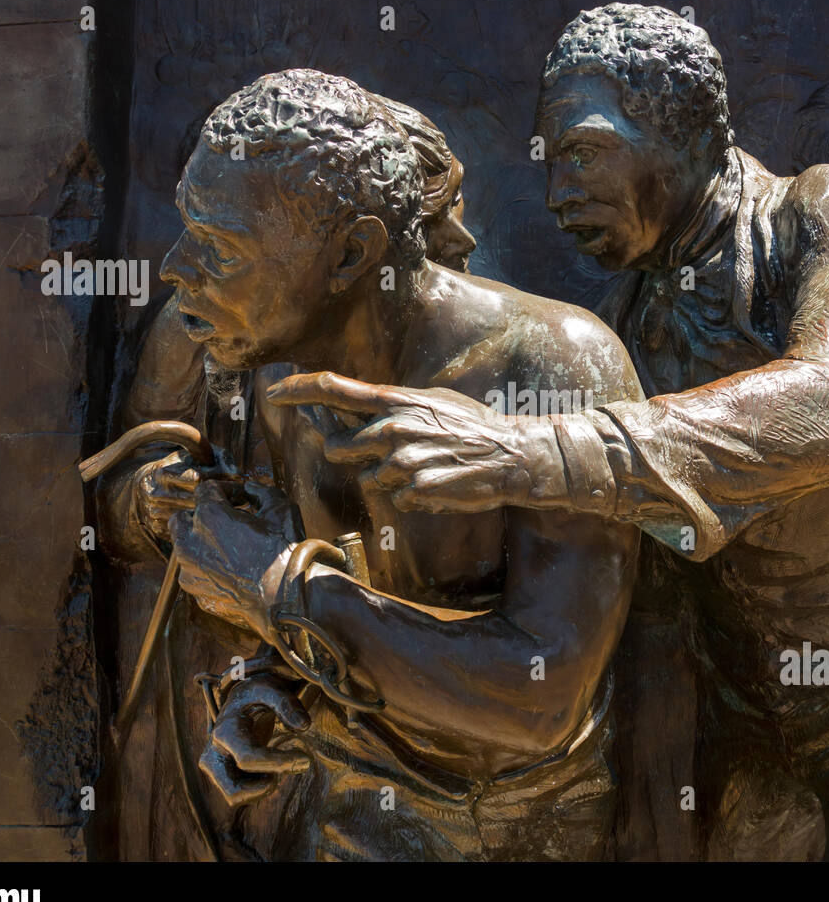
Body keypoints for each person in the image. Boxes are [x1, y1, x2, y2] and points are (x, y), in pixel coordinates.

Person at [266, 5, 829, 860]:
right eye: (551, 162)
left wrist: (539, 450)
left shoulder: (824, 212)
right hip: (734, 720)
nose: (557, 191)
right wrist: (305, 674)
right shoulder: (610, 330)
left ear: (691, 133)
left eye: (584, 154)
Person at [154, 69, 643, 861]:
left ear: (352, 254)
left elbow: (542, 696)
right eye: (186, 229)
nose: (176, 266)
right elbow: (360, 607)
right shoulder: (284, 373)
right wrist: (278, 686)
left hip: (511, 829)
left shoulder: (551, 366)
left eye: (220, 245)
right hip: (346, 801)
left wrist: (272, 588)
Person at [94, 90, 481, 860]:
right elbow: (118, 487)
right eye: (444, 214)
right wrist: (151, 501)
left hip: (380, 705)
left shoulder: (471, 358)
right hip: (234, 657)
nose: (462, 235)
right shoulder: (201, 321)